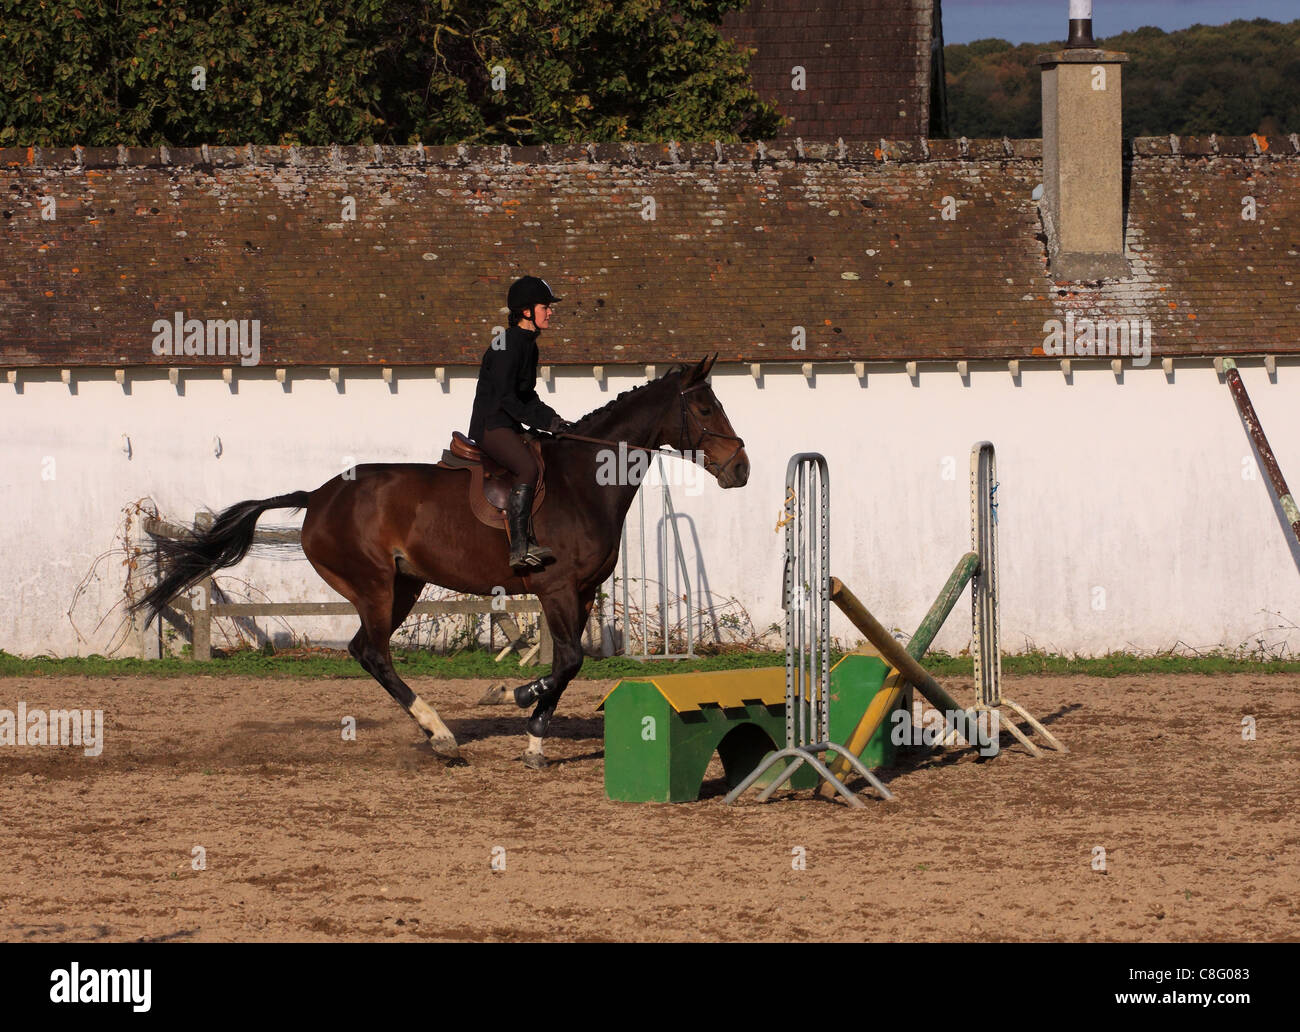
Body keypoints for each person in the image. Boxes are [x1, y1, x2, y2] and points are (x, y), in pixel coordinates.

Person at [467, 275, 574, 571]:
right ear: (527, 311)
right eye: (545, 307)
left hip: (509, 423)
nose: (550, 312)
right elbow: (506, 398)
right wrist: (541, 421)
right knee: (527, 467)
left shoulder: (528, 345)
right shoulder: (506, 345)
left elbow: (527, 395)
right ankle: (519, 546)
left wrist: (554, 420)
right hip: (491, 425)